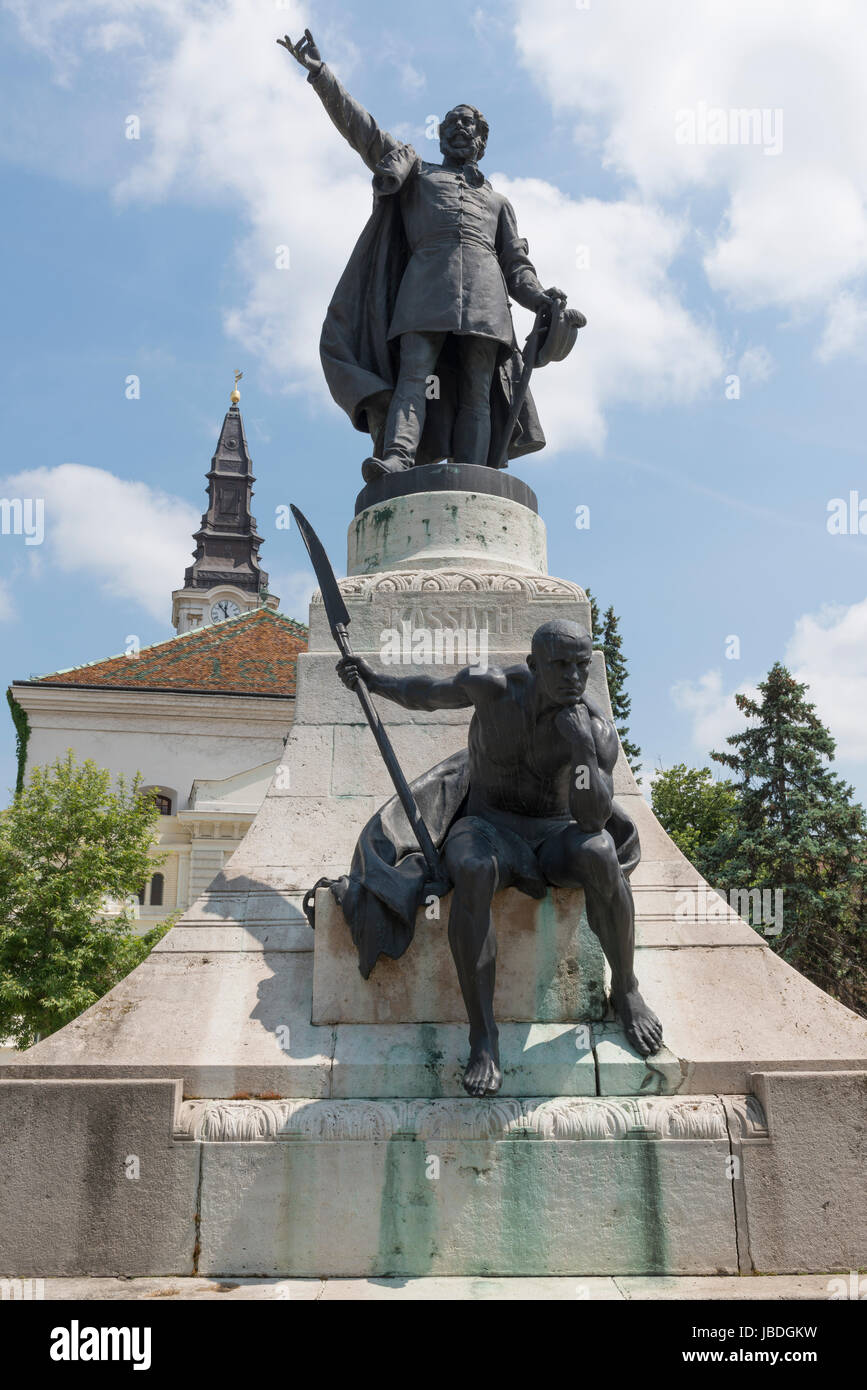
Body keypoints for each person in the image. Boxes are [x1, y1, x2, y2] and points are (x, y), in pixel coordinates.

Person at [337, 619, 663, 1097]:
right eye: (560, 664)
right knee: (470, 866)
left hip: (555, 836)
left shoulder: (594, 729)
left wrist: (581, 750)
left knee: (599, 851)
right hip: (488, 828)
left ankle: (627, 990)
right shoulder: (493, 689)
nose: (573, 676)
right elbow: (424, 692)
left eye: (581, 666)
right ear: (533, 664)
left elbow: (592, 819)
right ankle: (483, 1036)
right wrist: (371, 678)